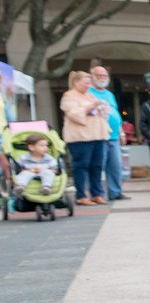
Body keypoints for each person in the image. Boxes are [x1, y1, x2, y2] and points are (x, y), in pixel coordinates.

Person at [60, 70, 111, 205]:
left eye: (89, 83)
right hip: (80, 138)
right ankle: (80, 195)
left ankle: (97, 193)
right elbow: (74, 114)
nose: (88, 86)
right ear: (76, 82)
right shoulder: (68, 96)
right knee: (81, 166)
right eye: (86, 83)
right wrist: (91, 106)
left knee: (97, 166)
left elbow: (98, 112)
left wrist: (103, 109)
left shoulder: (89, 95)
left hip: (97, 135)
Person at [89, 63, 128, 201]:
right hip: (98, 135)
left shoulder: (109, 94)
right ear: (92, 77)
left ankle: (115, 192)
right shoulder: (88, 93)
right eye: (99, 75)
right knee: (98, 166)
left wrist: (121, 132)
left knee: (116, 166)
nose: (102, 78)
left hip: (114, 136)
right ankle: (97, 194)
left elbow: (115, 113)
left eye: (105, 75)